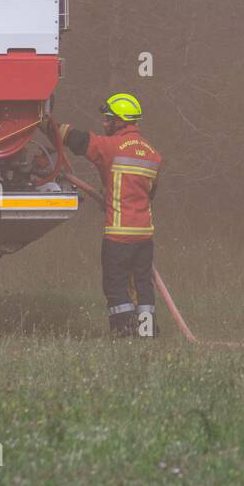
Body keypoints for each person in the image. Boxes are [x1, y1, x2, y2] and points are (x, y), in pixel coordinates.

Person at [57, 93, 163, 337]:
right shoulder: (153, 154)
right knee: (142, 286)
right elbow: (150, 193)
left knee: (116, 285)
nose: (104, 124)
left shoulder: (110, 146)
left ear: (121, 121)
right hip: (144, 236)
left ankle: (124, 331)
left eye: (108, 119)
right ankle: (147, 332)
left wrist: (44, 123)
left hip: (118, 235)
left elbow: (76, 139)